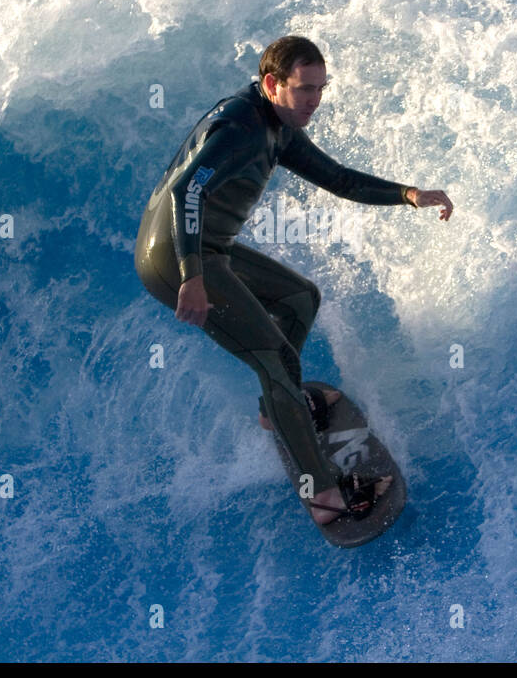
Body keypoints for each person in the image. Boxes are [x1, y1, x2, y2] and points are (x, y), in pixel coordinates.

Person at [134, 36, 454, 525]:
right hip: (177, 258)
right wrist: (192, 278)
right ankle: (325, 497)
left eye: (321, 89)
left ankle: (276, 406)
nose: (314, 101)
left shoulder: (277, 125)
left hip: (208, 249)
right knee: (277, 357)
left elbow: (340, 179)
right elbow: (184, 194)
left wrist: (409, 195)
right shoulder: (240, 127)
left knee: (300, 298)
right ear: (271, 84)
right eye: (305, 89)